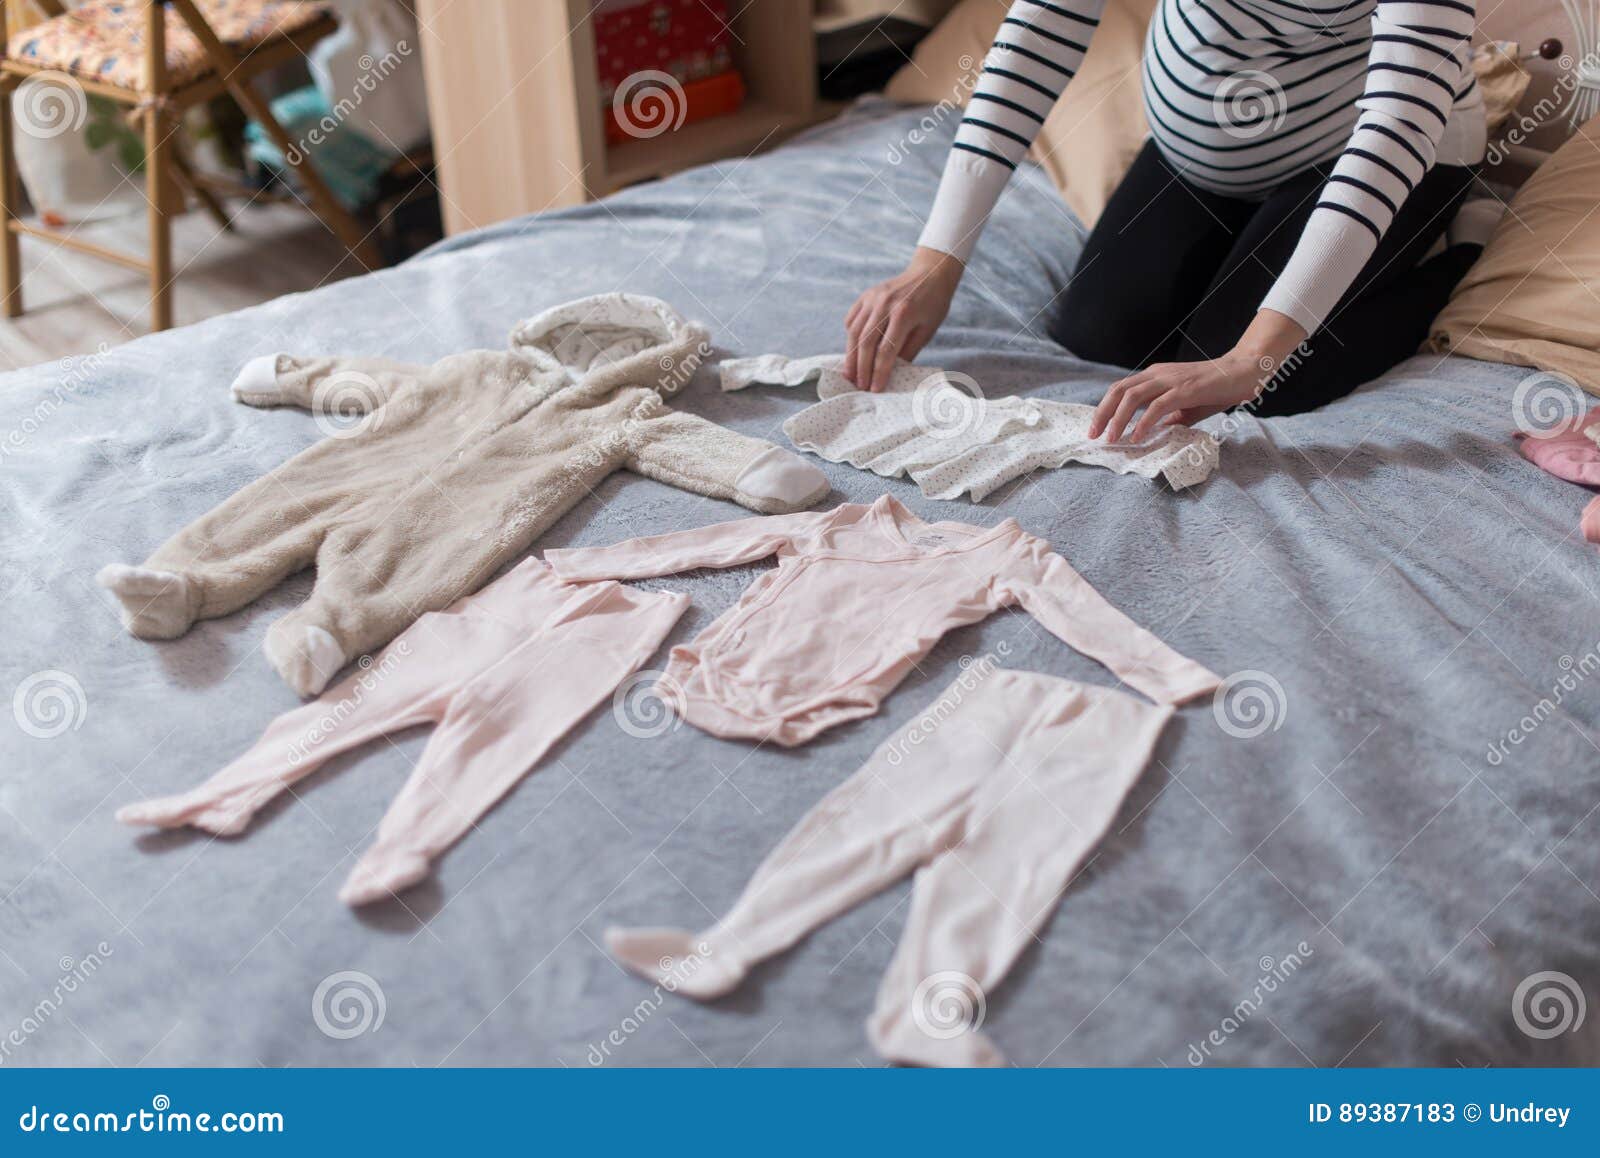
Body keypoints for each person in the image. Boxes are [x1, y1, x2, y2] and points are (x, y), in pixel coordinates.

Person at [844, 0, 1501, 441]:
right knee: (1098, 337)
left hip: (1370, 156)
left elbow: (1397, 126)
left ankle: (1463, 250)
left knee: (1248, 390)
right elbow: (1041, 30)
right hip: (1201, 156)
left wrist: (1250, 359)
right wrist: (935, 261)